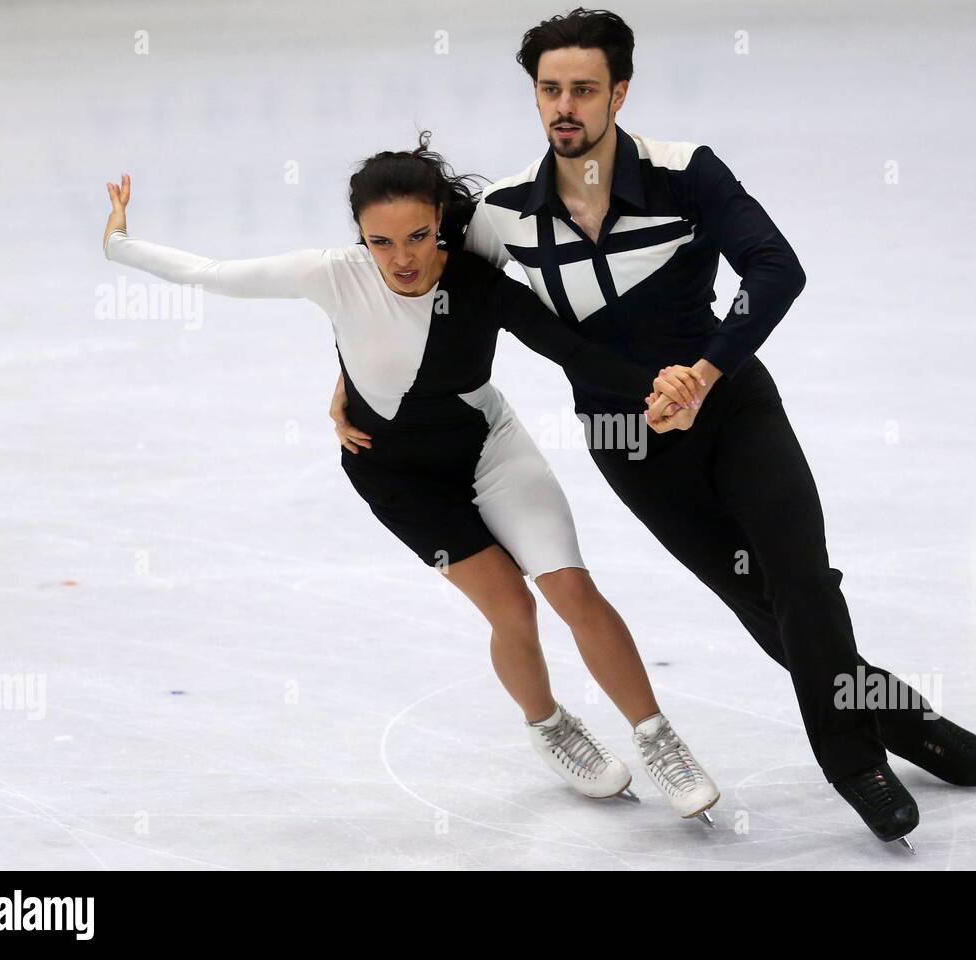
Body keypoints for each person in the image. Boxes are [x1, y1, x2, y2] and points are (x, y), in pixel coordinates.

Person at [329, 10, 976, 851]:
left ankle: (854, 761)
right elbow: (411, 280)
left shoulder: (686, 173)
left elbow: (776, 267)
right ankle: (910, 723)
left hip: (732, 407)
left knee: (802, 577)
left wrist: (708, 370)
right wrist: (349, 380)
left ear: (620, 90)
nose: (565, 106)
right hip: (628, 440)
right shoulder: (502, 214)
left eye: (584, 88)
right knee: (762, 602)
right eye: (550, 89)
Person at [100, 135, 722, 823]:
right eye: (381, 242)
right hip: (397, 478)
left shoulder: (480, 283)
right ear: (360, 236)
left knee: (571, 589)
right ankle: (548, 725)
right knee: (511, 609)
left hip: (491, 450)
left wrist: (662, 386)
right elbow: (213, 273)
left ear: (440, 223)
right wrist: (120, 244)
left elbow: (571, 349)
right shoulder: (332, 275)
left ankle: (657, 738)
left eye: (420, 236)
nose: (402, 258)